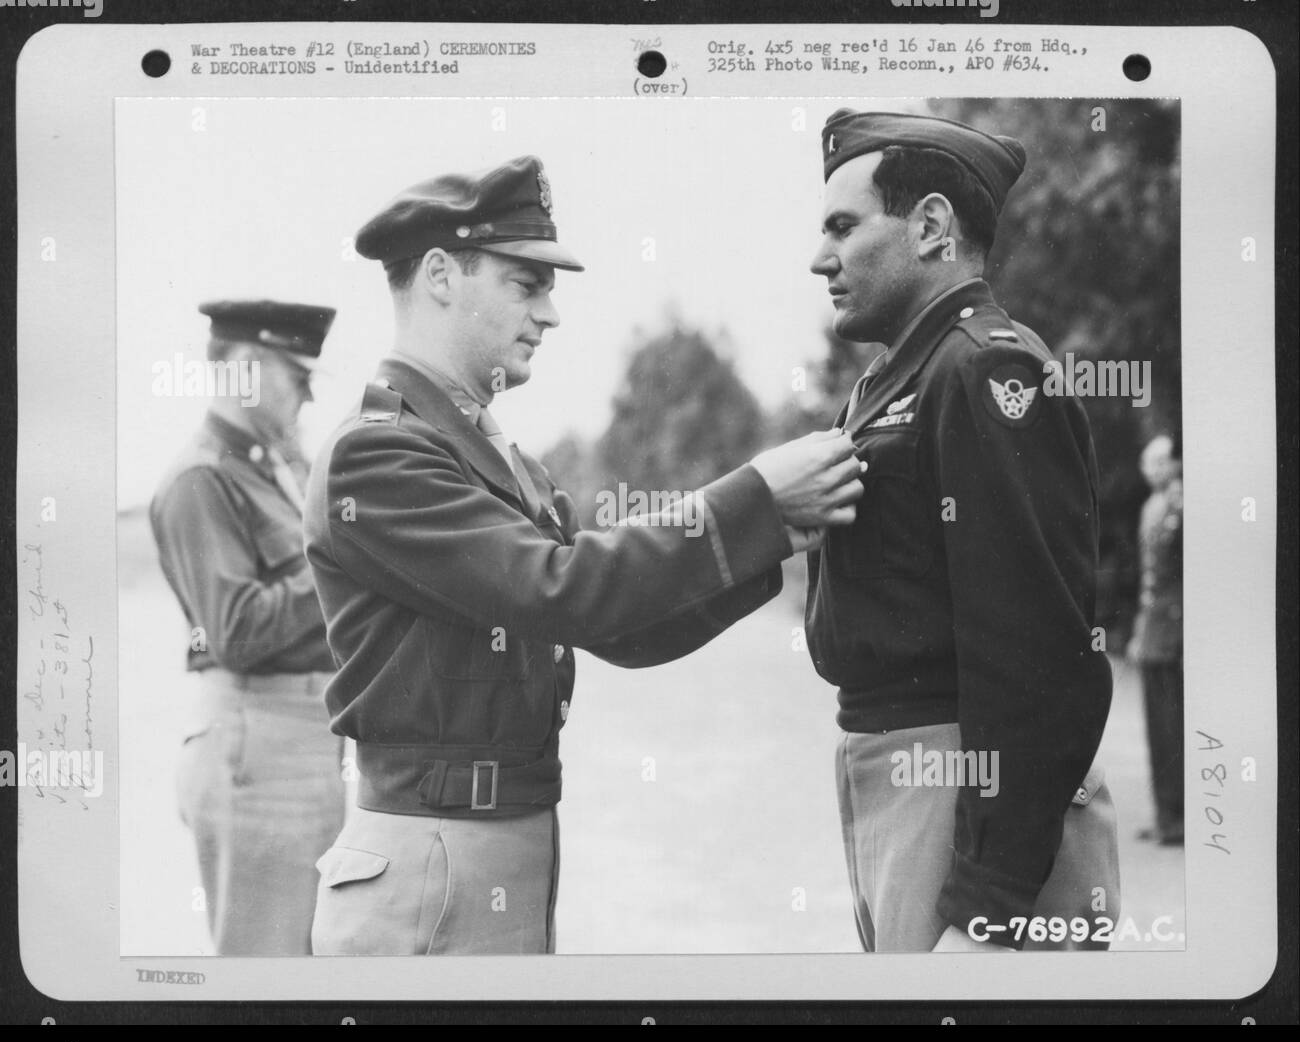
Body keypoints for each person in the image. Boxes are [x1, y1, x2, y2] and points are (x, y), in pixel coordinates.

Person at [304, 154, 864, 955]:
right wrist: (756, 502)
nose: (551, 313)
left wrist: (772, 537)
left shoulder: (495, 458)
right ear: (439, 275)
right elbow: (561, 588)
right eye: (526, 284)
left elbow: (617, 627)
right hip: (429, 860)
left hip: (489, 848)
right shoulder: (380, 456)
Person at [804, 110, 1119, 953]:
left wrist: (991, 904)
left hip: (964, 798)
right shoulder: (896, 376)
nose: (819, 257)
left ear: (933, 227)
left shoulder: (985, 367)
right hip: (907, 788)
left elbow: (1040, 660)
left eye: (842, 226)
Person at [150, 299, 346, 955]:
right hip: (255, 752)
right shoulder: (199, 480)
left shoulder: (276, 469)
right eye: (299, 376)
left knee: (310, 972)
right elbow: (236, 630)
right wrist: (346, 561)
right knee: (267, 978)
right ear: (247, 368)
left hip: (299, 743)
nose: (309, 396)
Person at [1127, 433, 1184, 845]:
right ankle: (1166, 812)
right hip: (1154, 632)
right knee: (1158, 730)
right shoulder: (1153, 506)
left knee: (1172, 729)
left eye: (1161, 461)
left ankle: (1176, 816)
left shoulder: (1180, 506)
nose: (1153, 469)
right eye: (1149, 462)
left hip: (1176, 633)